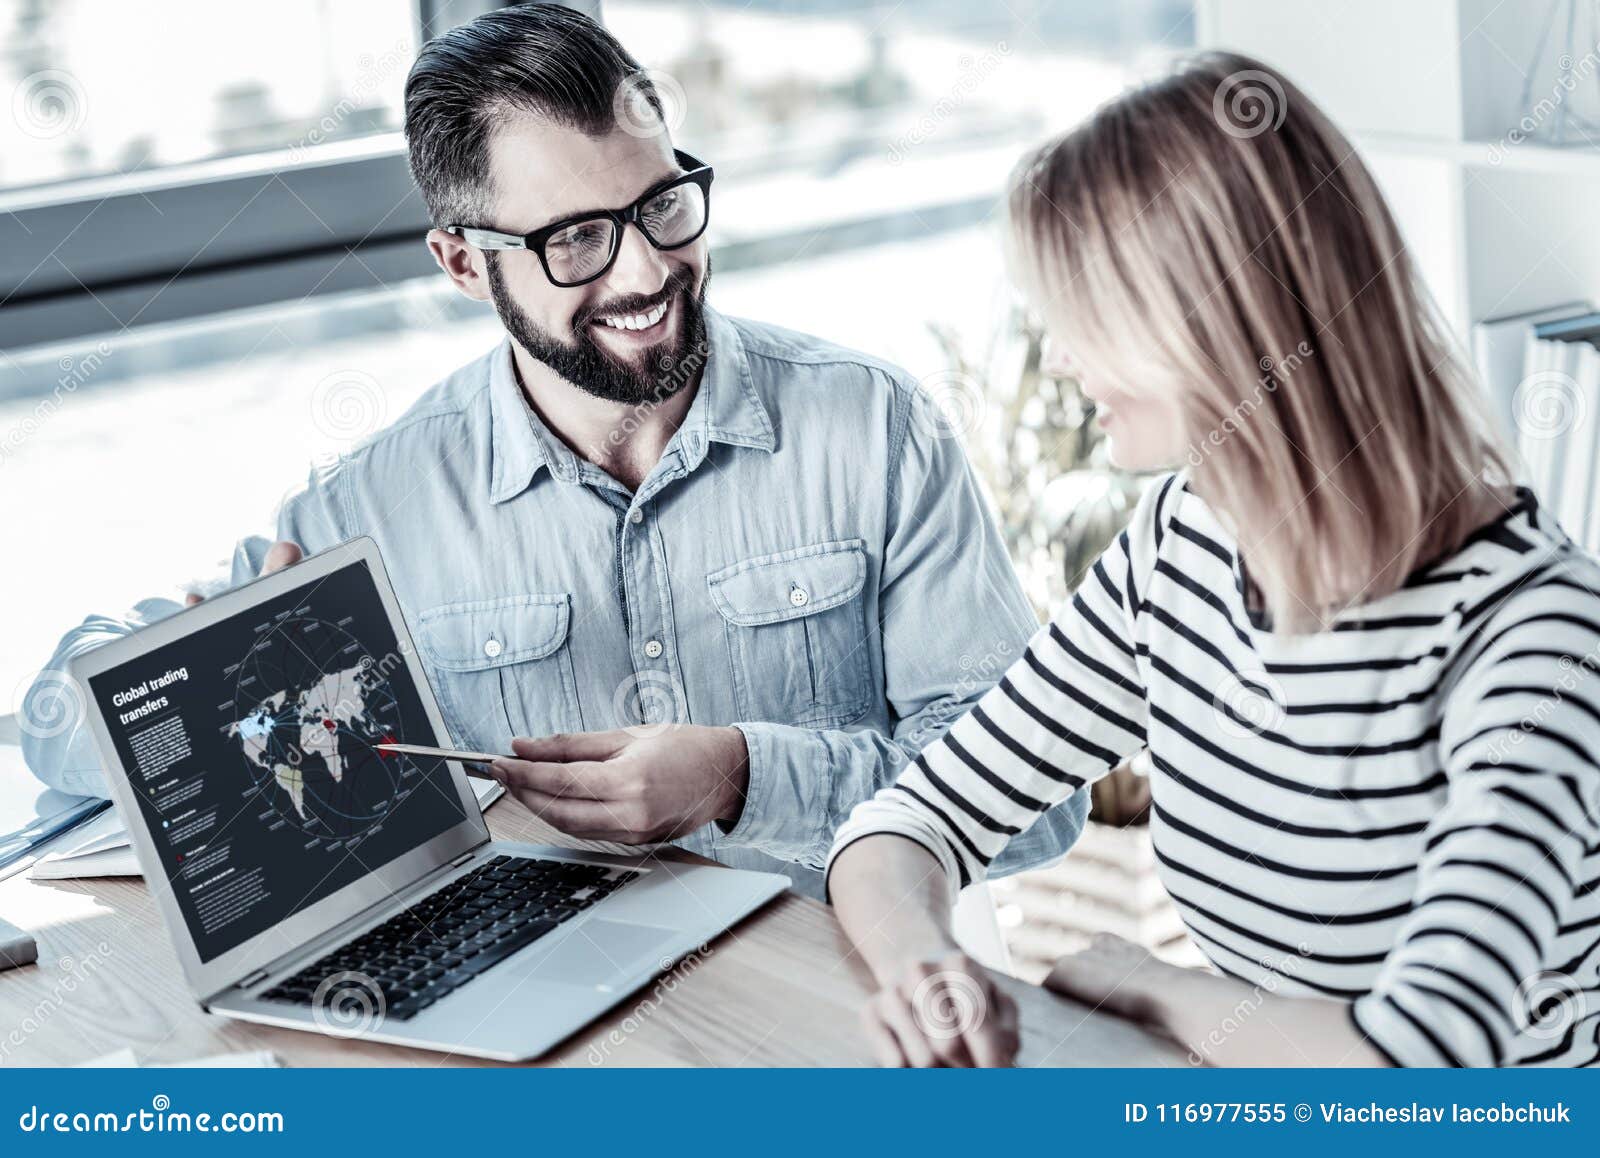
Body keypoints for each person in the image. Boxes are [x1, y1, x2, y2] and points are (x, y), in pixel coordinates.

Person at [18, 4, 1085, 899]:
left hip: (846, 1014)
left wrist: (741, 776)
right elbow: (59, 729)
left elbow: (1034, 800)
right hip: (555, 1023)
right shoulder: (379, 506)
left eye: (661, 204)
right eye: (574, 237)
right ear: (461, 264)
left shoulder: (875, 428)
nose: (644, 272)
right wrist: (204, 678)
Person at [826, 51, 1600, 1067]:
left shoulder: (1538, 636)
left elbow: (1426, 1057)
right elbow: (914, 817)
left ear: (1213, 330)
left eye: (1085, 322)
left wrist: (1151, 984)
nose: (1059, 361)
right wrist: (923, 969)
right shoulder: (1181, 538)